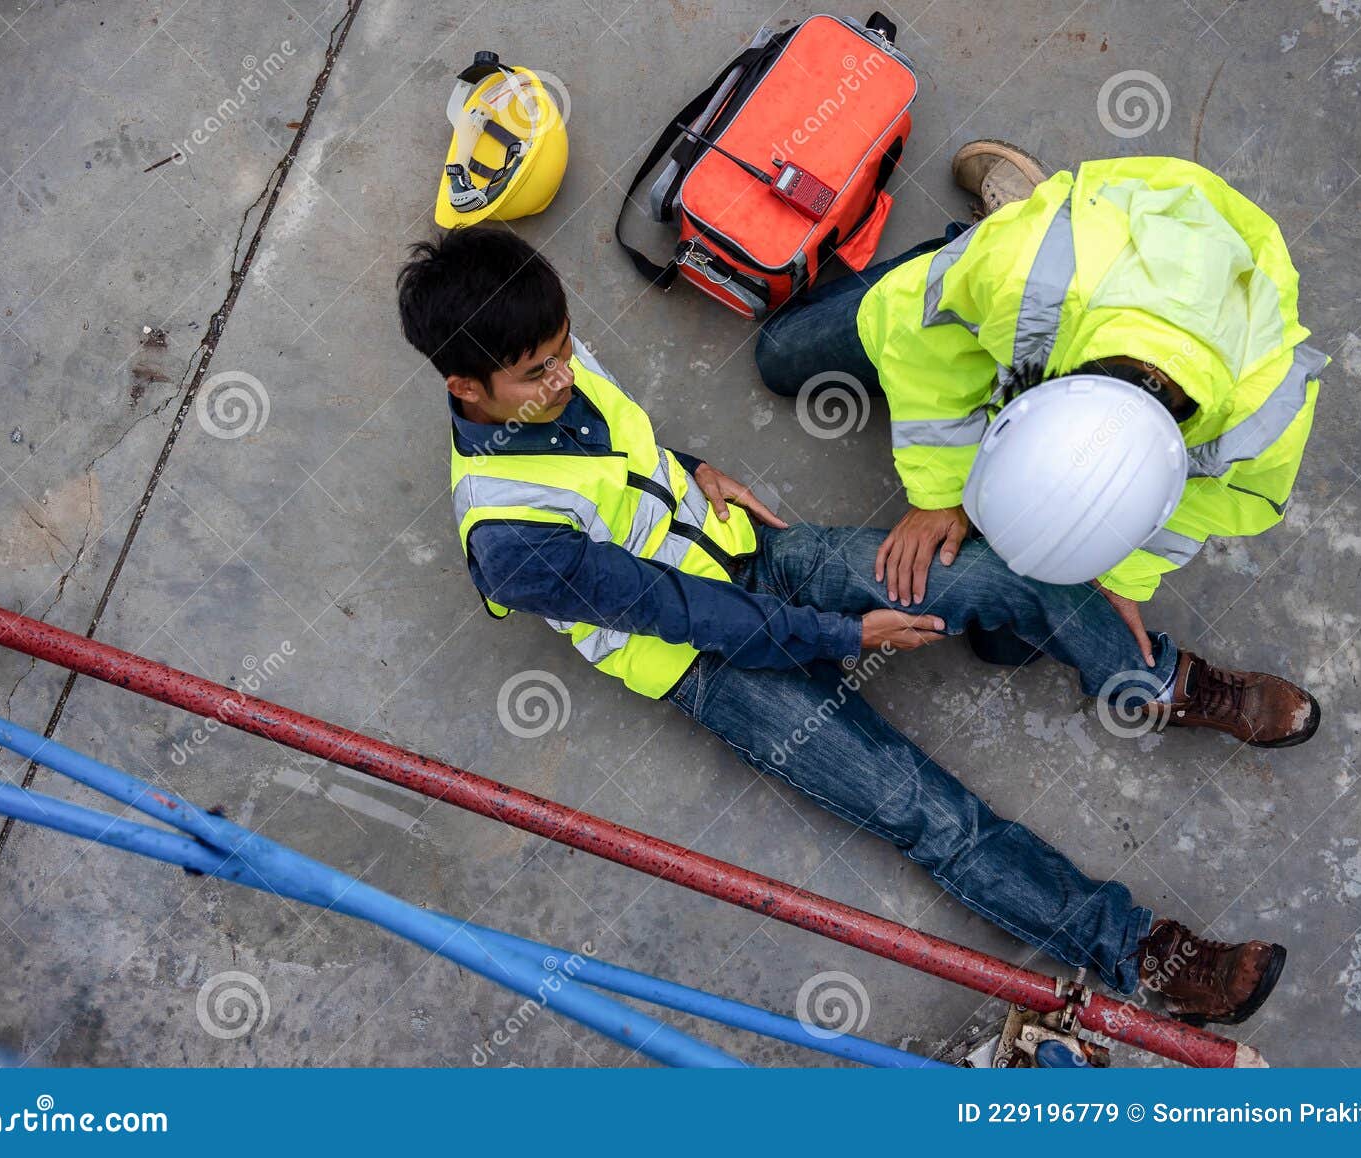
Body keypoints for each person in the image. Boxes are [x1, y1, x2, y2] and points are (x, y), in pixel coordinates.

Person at [396, 225, 1286, 1024]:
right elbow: (691, 614)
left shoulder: (546, 361)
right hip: (706, 660)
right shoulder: (510, 536)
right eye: (536, 373)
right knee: (926, 812)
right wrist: (847, 639)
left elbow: (629, 445)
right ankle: (1140, 952)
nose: (563, 374)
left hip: (748, 548)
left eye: (561, 351)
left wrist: (696, 469)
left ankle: (1155, 681)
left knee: (1005, 571)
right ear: (465, 386)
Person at [756, 142, 1324, 748]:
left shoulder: (1265, 416)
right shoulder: (1028, 278)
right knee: (781, 356)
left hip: (1158, 298)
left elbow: (1214, 506)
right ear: (1027, 405)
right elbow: (923, 340)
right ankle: (975, 241)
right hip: (1042, 267)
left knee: (1006, 647)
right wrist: (942, 491)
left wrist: (1123, 575)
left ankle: (986, 249)